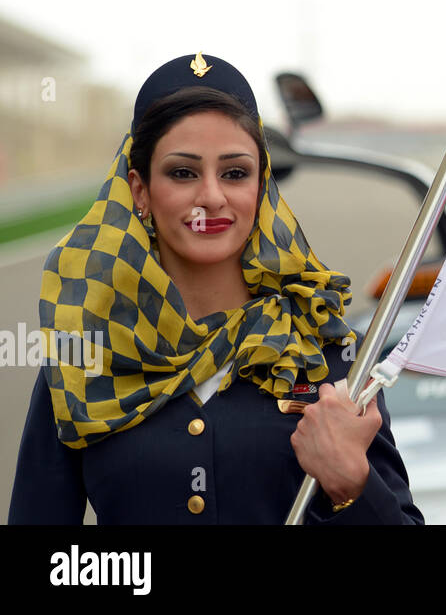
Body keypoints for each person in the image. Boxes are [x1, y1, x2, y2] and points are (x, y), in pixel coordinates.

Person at [7, 52, 424, 524]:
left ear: (261, 185)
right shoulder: (83, 357)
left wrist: (353, 485)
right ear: (139, 191)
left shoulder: (330, 355)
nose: (211, 197)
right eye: (183, 173)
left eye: (235, 173)